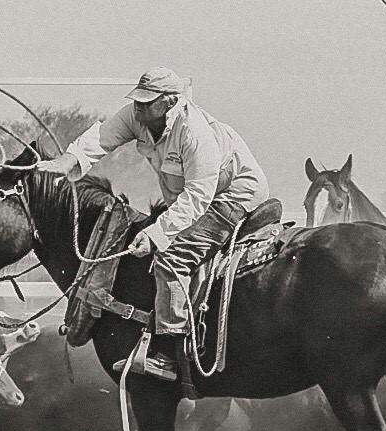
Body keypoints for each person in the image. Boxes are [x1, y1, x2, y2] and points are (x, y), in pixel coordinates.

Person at [42, 67, 269, 381]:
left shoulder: (194, 133)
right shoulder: (138, 117)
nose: (139, 107)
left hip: (233, 195)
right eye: (138, 101)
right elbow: (101, 139)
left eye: (147, 102)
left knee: (173, 257)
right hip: (195, 199)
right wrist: (65, 162)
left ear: (171, 101)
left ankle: (168, 351)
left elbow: (198, 195)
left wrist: (158, 232)